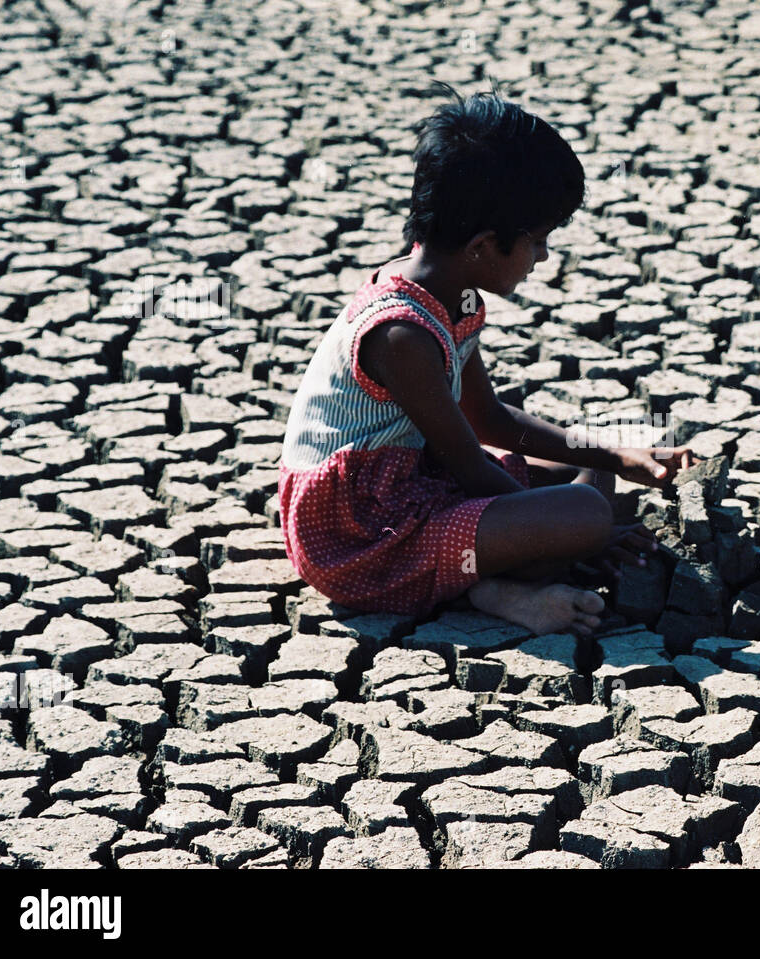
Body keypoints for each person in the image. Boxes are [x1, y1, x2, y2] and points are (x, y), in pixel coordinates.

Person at [277, 85, 696, 637]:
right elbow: (472, 467)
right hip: (358, 535)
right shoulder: (402, 334)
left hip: (411, 483)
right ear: (482, 245)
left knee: (589, 469)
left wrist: (620, 457)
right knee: (586, 514)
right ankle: (491, 589)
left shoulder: (457, 298)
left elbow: (489, 420)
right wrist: (569, 530)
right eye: (537, 240)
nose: (543, 256)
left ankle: (512, 560)